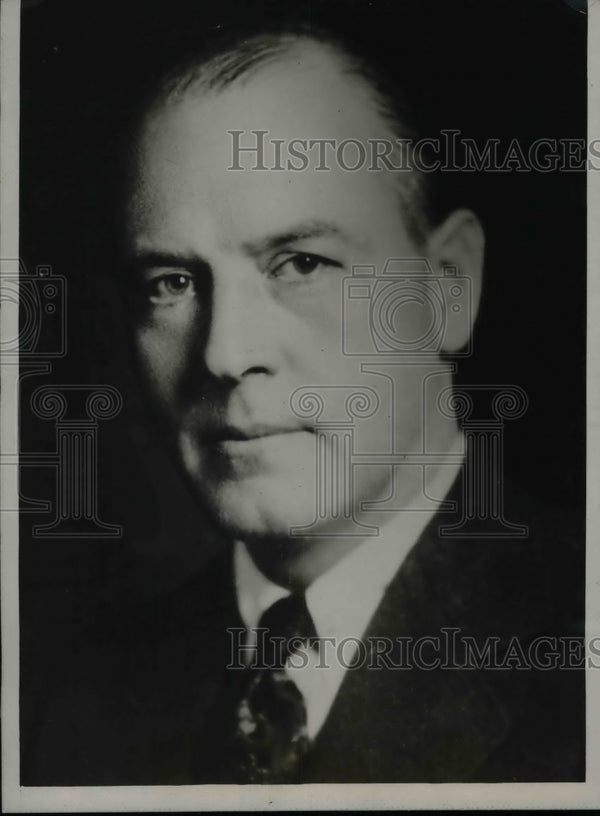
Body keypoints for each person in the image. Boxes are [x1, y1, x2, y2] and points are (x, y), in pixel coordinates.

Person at [22, 21, 584, 785]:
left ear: (449, 286)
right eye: (171, 284)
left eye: (301, 263)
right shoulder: (76, 703)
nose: (223, 353)